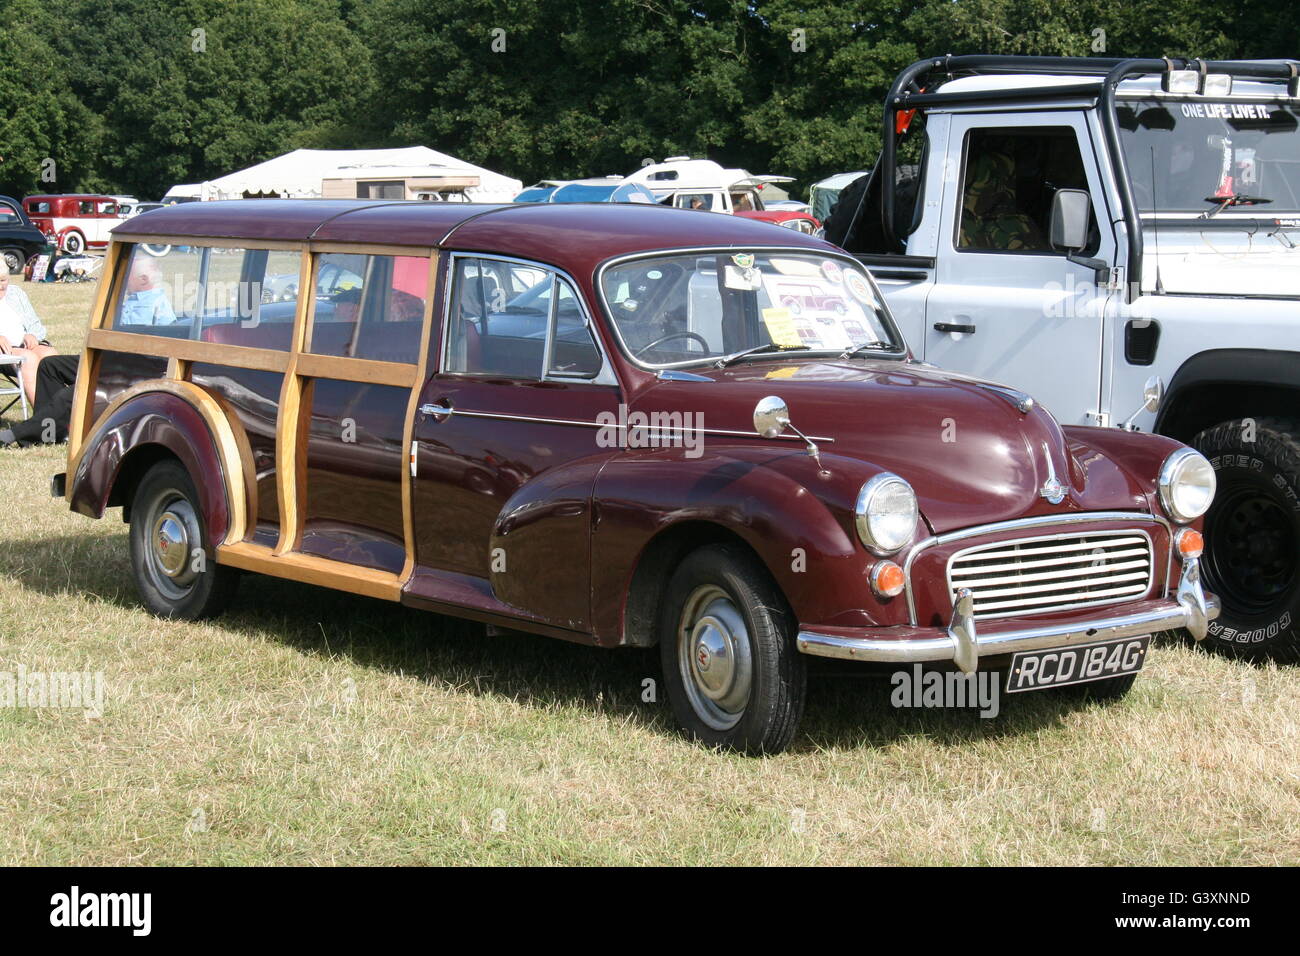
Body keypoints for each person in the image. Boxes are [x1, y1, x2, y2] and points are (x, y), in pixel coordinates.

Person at [0, 259, 58, 405]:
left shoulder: (16, 293)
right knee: (28, 359)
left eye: (3, 280)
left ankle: (65, 414)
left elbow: (35, 324)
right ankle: (44, 418)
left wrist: (32, 335)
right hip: (5, 351)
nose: (0, 286)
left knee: (50, 356)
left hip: (24, 346)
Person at [0, 353, 79, 447]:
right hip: (97, 359)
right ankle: (48, 435)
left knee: (69, 395)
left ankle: (16, 434)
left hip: (100, 373)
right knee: (49, 365)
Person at [118, 256, 177, 325]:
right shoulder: (144, 298)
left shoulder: (149, 305)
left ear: (143, 280)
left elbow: (128, 330)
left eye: (126, 276)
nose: (123, 281)